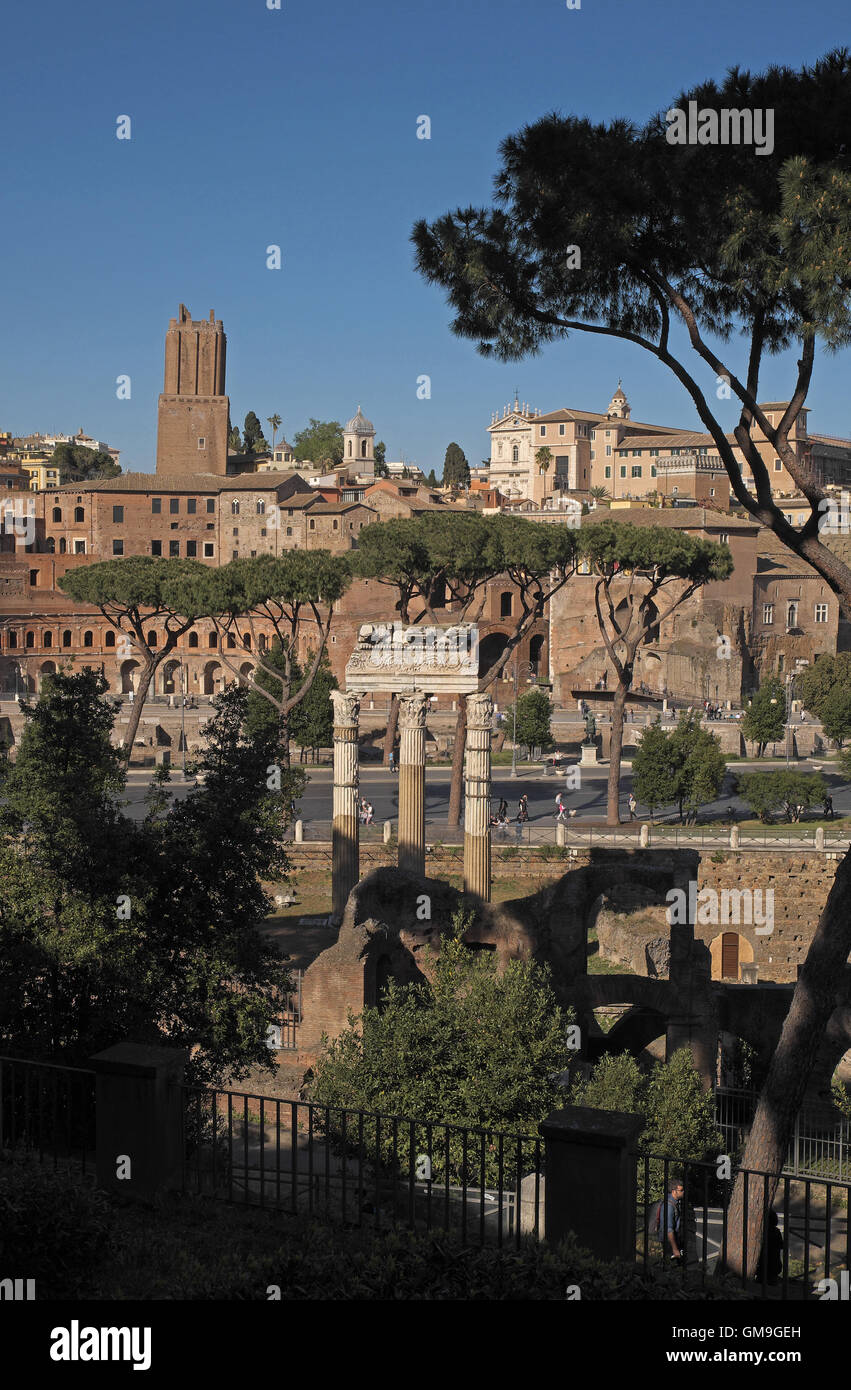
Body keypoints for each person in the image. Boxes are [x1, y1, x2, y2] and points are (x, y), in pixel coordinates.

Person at [658, 1176, 685, 1264]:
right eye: (681, 1190)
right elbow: (668, 1230)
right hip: (669, 1243)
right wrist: (674, 1248)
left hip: (672, 1241)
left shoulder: (675, 1203)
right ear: (674, 1191)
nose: (683, 1192)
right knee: (670, 1269)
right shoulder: (669, 1206)